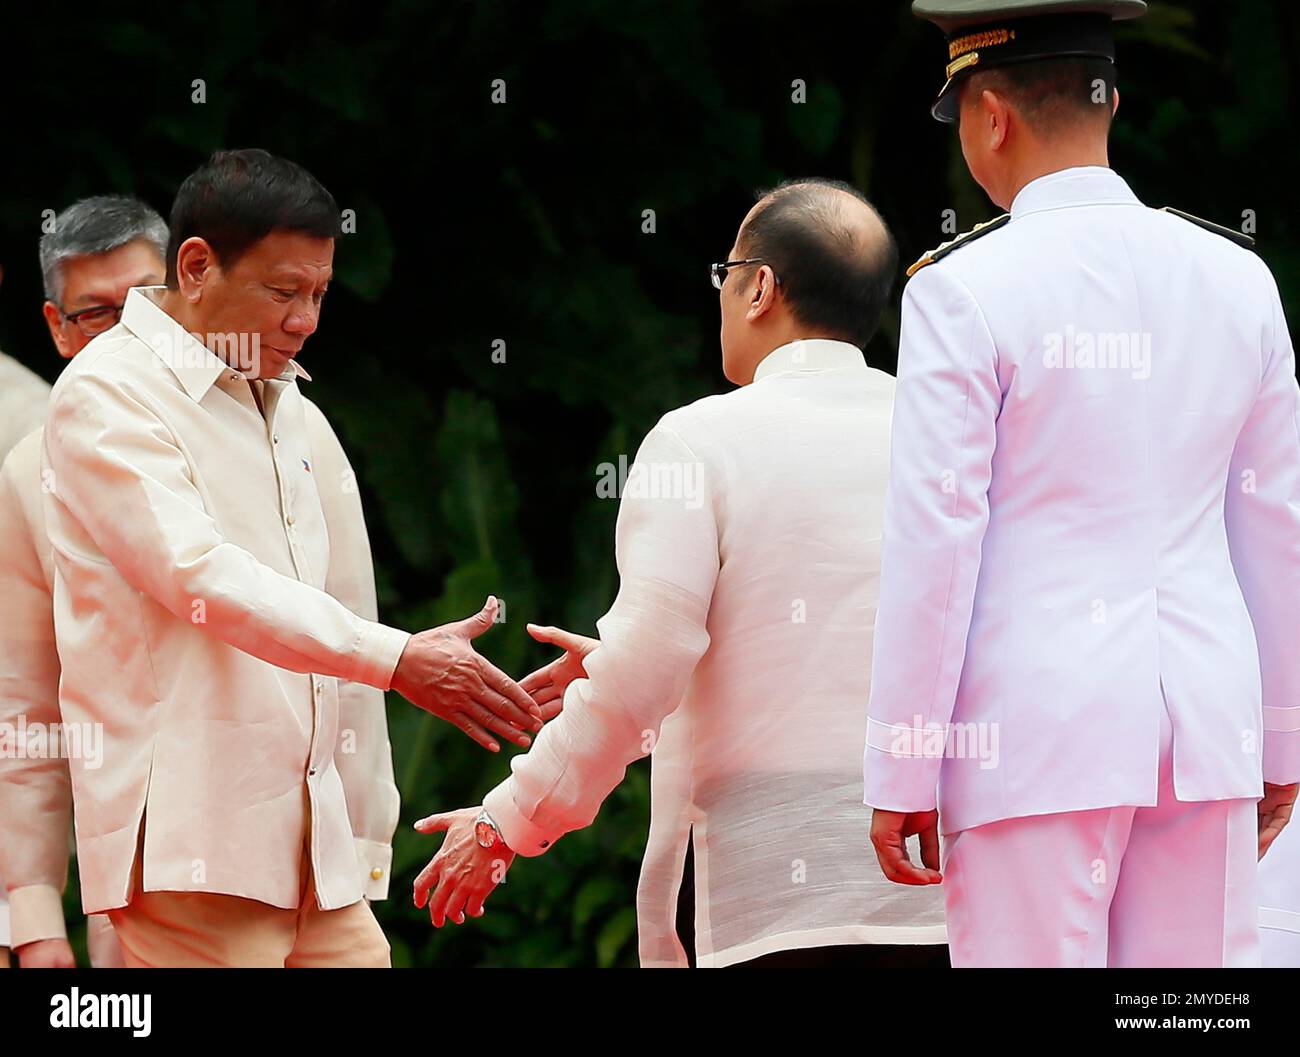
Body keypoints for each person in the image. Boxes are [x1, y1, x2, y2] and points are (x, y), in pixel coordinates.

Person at [412, 179, 950, 968]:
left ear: (760, 286)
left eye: (726, 273)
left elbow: (645, 668)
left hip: (768, 887)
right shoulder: (945, 436)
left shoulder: (700, 441)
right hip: (941, 890)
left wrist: (508, 820)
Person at [863, 0, 1299, 968]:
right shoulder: (1237, 278)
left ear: (989, 116)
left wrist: (903, 760)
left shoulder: (960, 288)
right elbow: (1275, 528)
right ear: (1110, 101)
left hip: (1031, 740)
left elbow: (936, 537)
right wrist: (1280, 743)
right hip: (1205, 731)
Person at [40, 150, 541, 967]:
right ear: (195, 265)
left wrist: (427, 690)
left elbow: (340, 598)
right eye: (283, 292)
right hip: (190, 846)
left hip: (315, 851)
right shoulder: (106, 392)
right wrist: (399, 659)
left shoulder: (287, 396)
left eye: (319, 293)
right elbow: (200, 576)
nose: (306, 319)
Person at [0, 196, 167, 969]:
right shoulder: (30, 461)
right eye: (95, 314)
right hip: (131, 896)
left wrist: (362, 861)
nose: (126, 331)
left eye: (144, 302)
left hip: (300, 885)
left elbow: (347, 679)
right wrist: (32, 918)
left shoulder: (280, 427)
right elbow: (25, 706)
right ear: (57, 327)